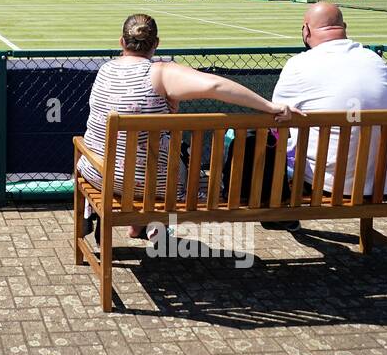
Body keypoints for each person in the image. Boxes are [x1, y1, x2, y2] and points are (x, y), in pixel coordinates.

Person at [77, 14, 294, 239]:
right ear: (156, 43)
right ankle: (150, 223)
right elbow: (216, 85)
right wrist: (269, 106)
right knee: (172, 158)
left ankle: (104, 213)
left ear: (121, 42)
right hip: (157, 186)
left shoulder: (105, 70)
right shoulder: (161, 73)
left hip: (101, 175)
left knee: (101, 148)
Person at [271, 2, 387, 202]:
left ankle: (281, 218)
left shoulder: (298, 65)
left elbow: (275, 118)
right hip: (384, 184)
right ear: (344, 27)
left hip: (325, 185)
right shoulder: (375, 60)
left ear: (306, 30)